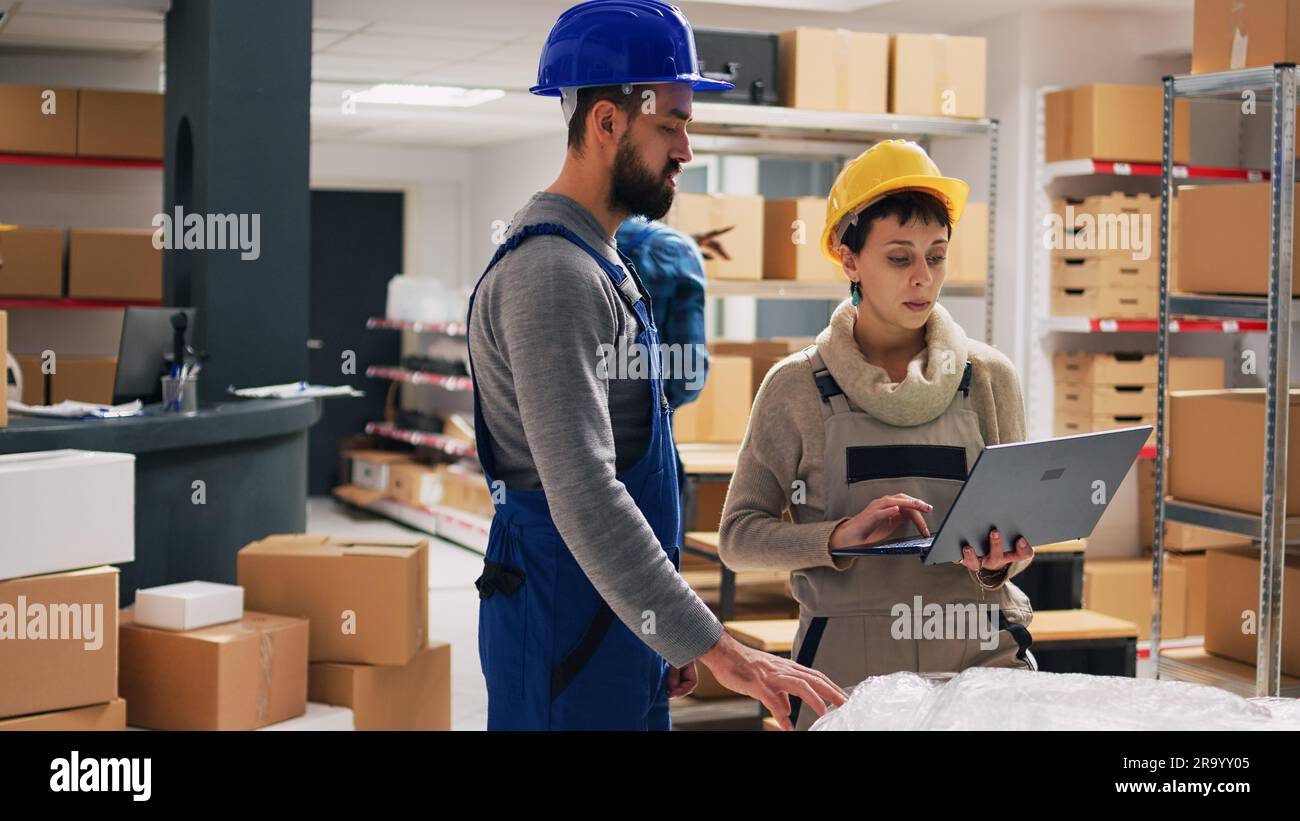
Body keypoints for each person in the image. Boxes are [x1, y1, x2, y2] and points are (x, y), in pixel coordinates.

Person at [466, 0, 845, 731]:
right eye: (670, 124)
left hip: (609, 620)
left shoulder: (601, 261)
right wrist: (720, 646)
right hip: (562, 629)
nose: (686, 149)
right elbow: (584, 494)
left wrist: (656, 622)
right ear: (607, 123)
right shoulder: (553, 275)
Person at [717, 139, 1037, 731]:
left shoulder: (990, 378)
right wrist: (835, 537)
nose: (923, 278)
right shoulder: (796, 387)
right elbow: (738, 537)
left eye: (936, 256)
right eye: (899, 258)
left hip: (980, 661)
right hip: (847, 676)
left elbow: (1013, 543)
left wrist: (998, 565)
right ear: (849, 259)